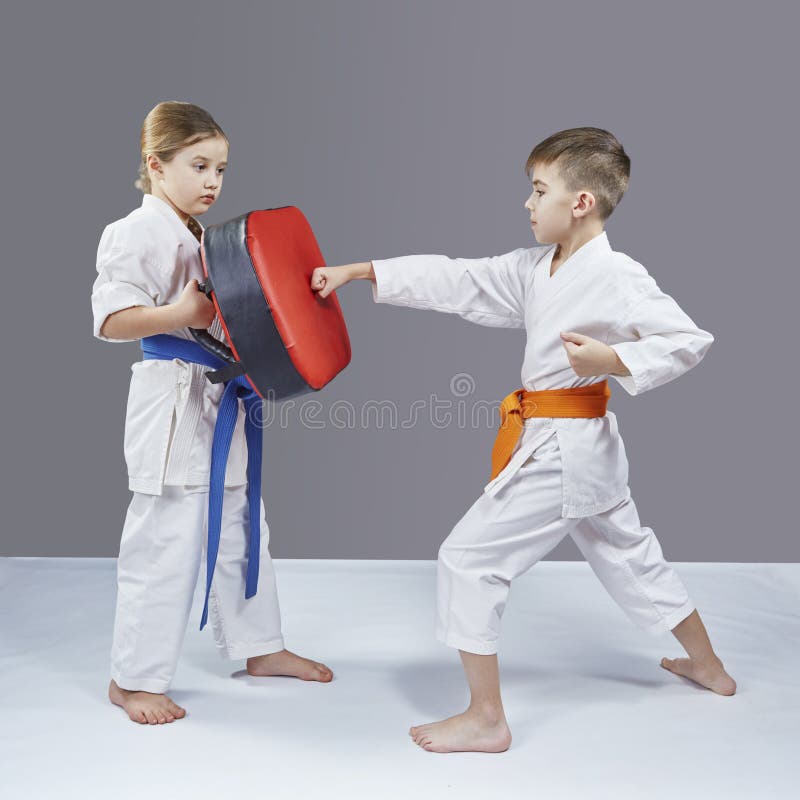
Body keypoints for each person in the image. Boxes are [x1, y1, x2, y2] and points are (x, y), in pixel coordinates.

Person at [310, 127, 735, 753]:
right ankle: (709, 667)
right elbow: (458, 279)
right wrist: (360, 271)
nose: (528, 204)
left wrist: (614, 358)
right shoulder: (538, 267)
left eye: (539, 191)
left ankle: (487, 718)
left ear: (581, 202)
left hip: (566, 448)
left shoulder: (616, 275)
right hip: (581, 448)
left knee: (468, 560)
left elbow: (688, 340)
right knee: (630, 553)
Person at [92, 101, 332, 726]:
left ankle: (261, 645)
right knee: (166, 537)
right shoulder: (133, 231)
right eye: (198, 166)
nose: (212, 182)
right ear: (155, 164)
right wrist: (180, 314)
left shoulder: (204, 236)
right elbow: (111, 320)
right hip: (172, 400)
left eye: (221, 169)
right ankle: (132, 679)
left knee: (243, 523)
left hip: (222, 395)